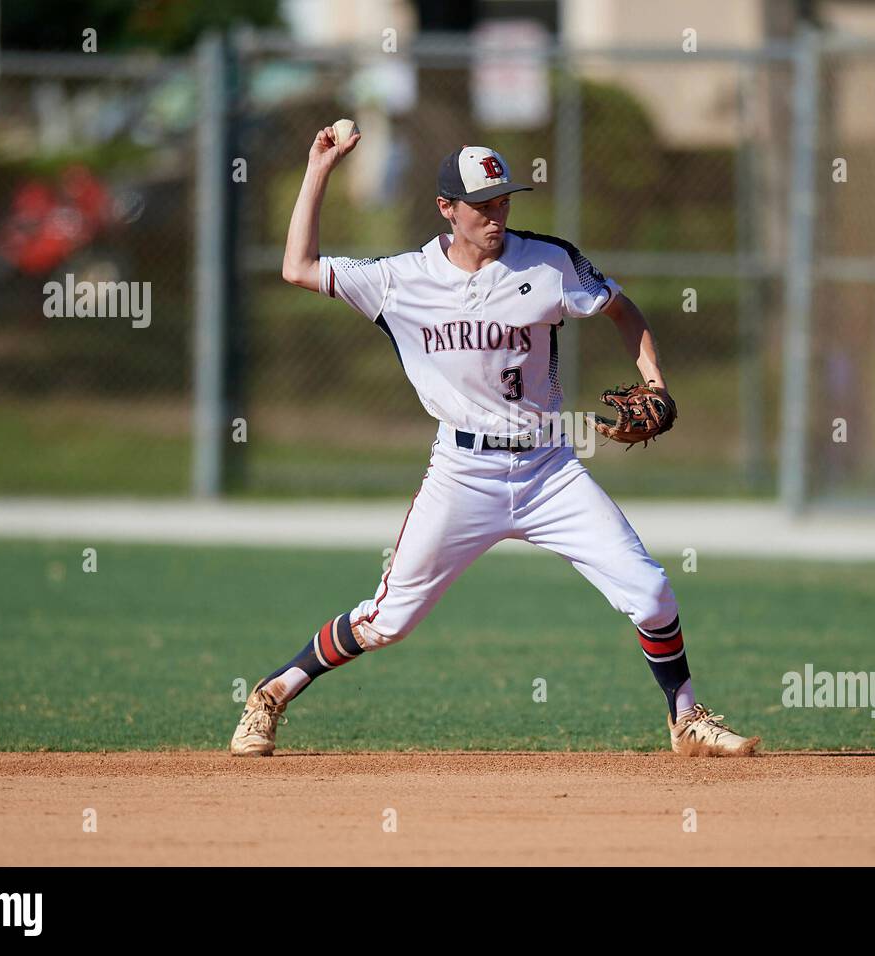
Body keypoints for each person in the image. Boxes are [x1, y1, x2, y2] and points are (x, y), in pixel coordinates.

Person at [230, 128, 757, 757]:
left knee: (650, 592)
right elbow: (298, 268)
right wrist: (318, 167)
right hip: (461, 474)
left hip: (549, 469)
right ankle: (270, 695)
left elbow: (622, 308)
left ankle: (686, 718)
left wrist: (656, 384)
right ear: (446, 208)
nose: (497, 214)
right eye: (483, 204)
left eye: (504, 200)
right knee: (388, 621)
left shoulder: (548, 262)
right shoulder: (401, 280)